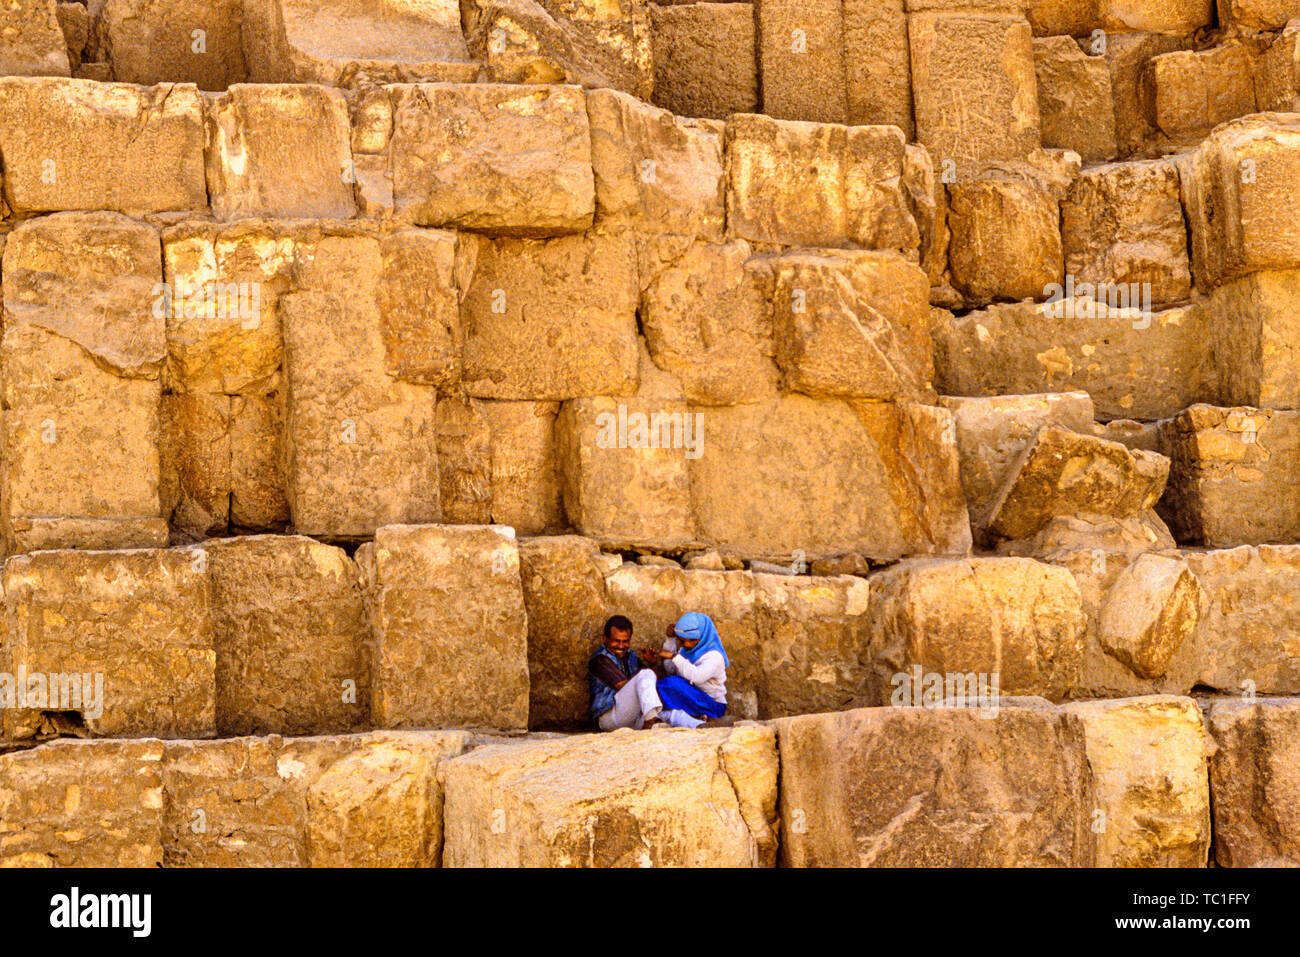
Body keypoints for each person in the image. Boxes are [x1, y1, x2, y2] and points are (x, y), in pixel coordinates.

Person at [646, 612, 729, 729]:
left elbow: (696, 676)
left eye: (690, 640)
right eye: (682, 641)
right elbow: (670, 669)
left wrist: (674, 656)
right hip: (693, 699)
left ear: (702, 637)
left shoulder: (714, 657)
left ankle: (708, 718)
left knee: (672, 684)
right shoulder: (686, 651)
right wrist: (670, 640)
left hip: (713, 706)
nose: (686, 645)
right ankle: (698, 720)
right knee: (665, 684)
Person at [588, 614, 665, 731]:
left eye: (625, 641)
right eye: (616, 641)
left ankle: (700, 724)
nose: (621, 646)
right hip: (608, 717)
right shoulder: (599, 660)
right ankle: (651, 721)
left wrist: (653, 663)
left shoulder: (630, 655)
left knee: (672, 716)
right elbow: (625, 685)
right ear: (605, 638)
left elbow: (651, 685)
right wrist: (647, 673)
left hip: (629, 717)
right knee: (646, 674)